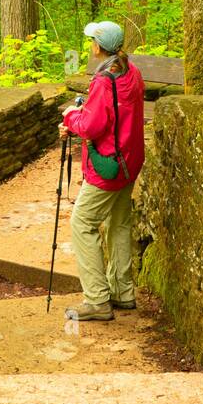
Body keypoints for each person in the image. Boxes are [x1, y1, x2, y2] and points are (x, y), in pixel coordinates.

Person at [59, 20, 145, 322]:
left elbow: (94, 126)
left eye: (91, 41)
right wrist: (84, 113)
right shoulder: (130, 72)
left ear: (98, 46)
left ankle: (96, 299)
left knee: (82, 223)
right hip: (129, 161)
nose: (90, 45)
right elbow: (114, 115)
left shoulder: (103, 81)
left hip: (108, 166)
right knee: (119, 223)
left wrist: (72, 118)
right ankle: (123, 293)